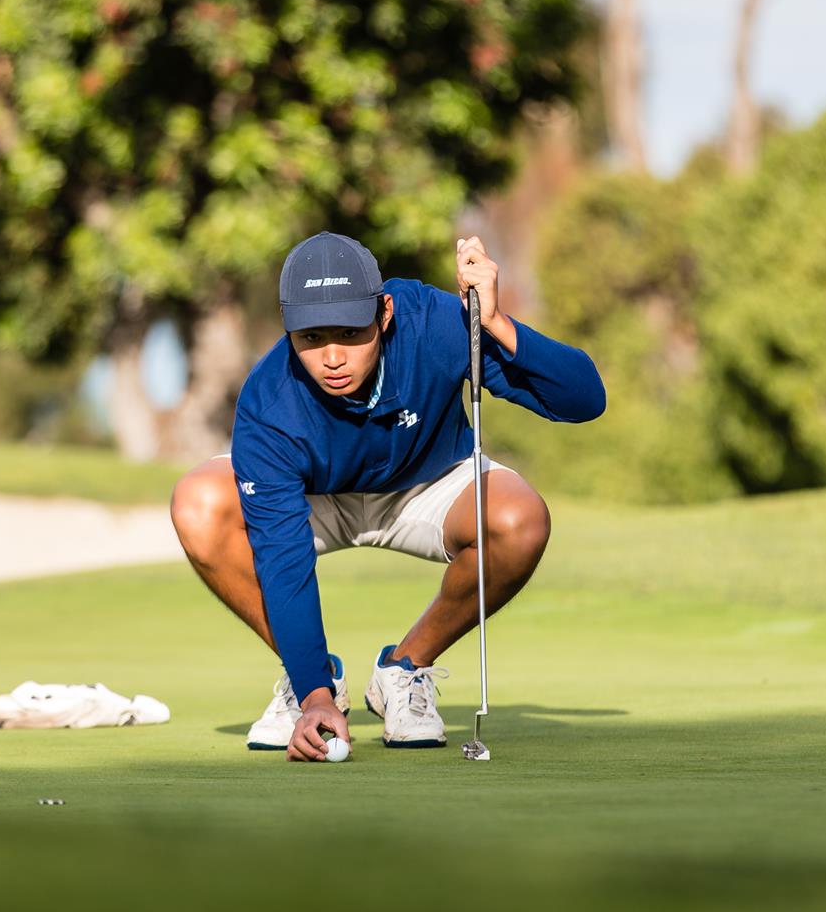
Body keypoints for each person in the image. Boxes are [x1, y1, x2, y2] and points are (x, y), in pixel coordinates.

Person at [169, 231, 606, 761]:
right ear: (288, 329)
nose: (332, 357)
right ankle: (312, 678)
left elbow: (584, 400)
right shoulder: (268, 401)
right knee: (199, 501)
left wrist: (492, 322)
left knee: (520, 519)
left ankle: (403, 671)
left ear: (385, 313)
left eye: (351, 333)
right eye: (311, 338)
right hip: (315, 499)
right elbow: (283, 560)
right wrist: (315, 695)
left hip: (428, 484)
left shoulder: (436, 323)